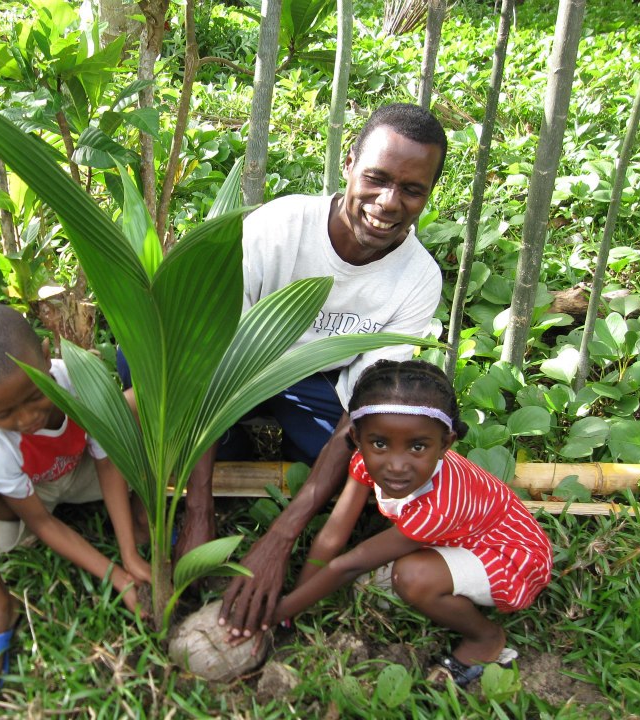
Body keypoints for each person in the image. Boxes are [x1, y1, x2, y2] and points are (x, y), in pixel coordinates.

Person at [212, 103, 448, 637]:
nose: (389, 203)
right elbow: (207, 351)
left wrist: (280, 537)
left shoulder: (417, 278)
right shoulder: (279, 227)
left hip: (317, 384)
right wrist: (199, 514)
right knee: (146, 362)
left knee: (366, 457)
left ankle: (259, 451)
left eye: (412, 190)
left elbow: (368, 407)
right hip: (235, 366)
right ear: (348, 164)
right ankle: (221, 452)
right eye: (377, 178)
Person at [271, 359, 553, 687]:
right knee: (376, 587)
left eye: (417, 447)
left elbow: (348, 564)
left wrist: (278, 612)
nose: (396, 465)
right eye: (380, 444)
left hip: (509, 554)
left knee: (411, 577)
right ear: (357, 438)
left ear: (445, 443)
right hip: (458, 539)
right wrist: (295, 609)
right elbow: (334, 533)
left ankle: (485, 639)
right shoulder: (364, 459)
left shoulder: (441, 503)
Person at [0, 304, 151, 693]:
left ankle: (138, 517)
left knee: (134, 403)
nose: (25, 418)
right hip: (28, 504)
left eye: (35, 395)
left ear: (47, 353)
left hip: (82, 472)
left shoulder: (78, 379)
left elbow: (107, 463)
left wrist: (130, 554)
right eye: (3, 412)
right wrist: (117, 576)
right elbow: (42, 522)